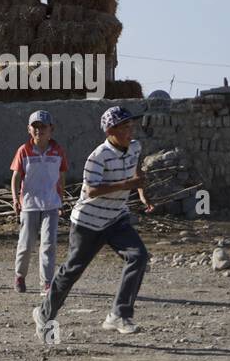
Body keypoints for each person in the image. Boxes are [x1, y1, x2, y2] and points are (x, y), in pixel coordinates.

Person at [34, 106, 154, 340]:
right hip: (88, 223)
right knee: (72, 271)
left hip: (116, 218)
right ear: (110, 131)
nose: (131, 131)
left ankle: (119, 315)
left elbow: (135, 169)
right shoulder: (98, 157)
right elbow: (91, 190)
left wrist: (140, 191)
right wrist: (127, 185)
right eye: (125, 127)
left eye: (132, 126)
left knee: (138, 256)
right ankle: (44, 313)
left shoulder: (135, 147)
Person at [10, 110, 68, 293]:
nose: (39, 131)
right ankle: (20, 276)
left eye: (43, 127)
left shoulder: (58, 150)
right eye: (35, 127)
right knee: (26, 244)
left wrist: (61, 198)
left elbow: (62, 175)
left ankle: (47, 282)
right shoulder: (24, 151)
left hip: (51, 204)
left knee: (48, 244)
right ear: (29, 129)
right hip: (29, 204)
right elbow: (16, 177)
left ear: (51, 129)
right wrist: (15, 199)